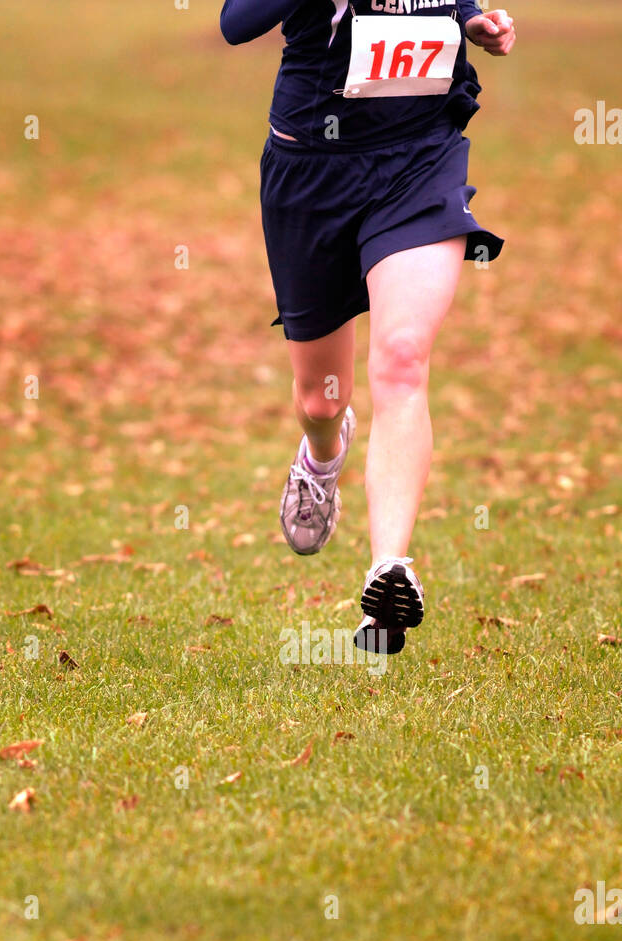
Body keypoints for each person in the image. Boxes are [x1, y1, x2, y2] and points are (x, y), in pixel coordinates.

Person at [220, 1, 516, 654]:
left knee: (403, 358)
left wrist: (470, 21)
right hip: (311, 177)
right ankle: (321, 457)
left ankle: (388, 572)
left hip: (418, 164)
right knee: (319, 400)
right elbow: (235, 22)